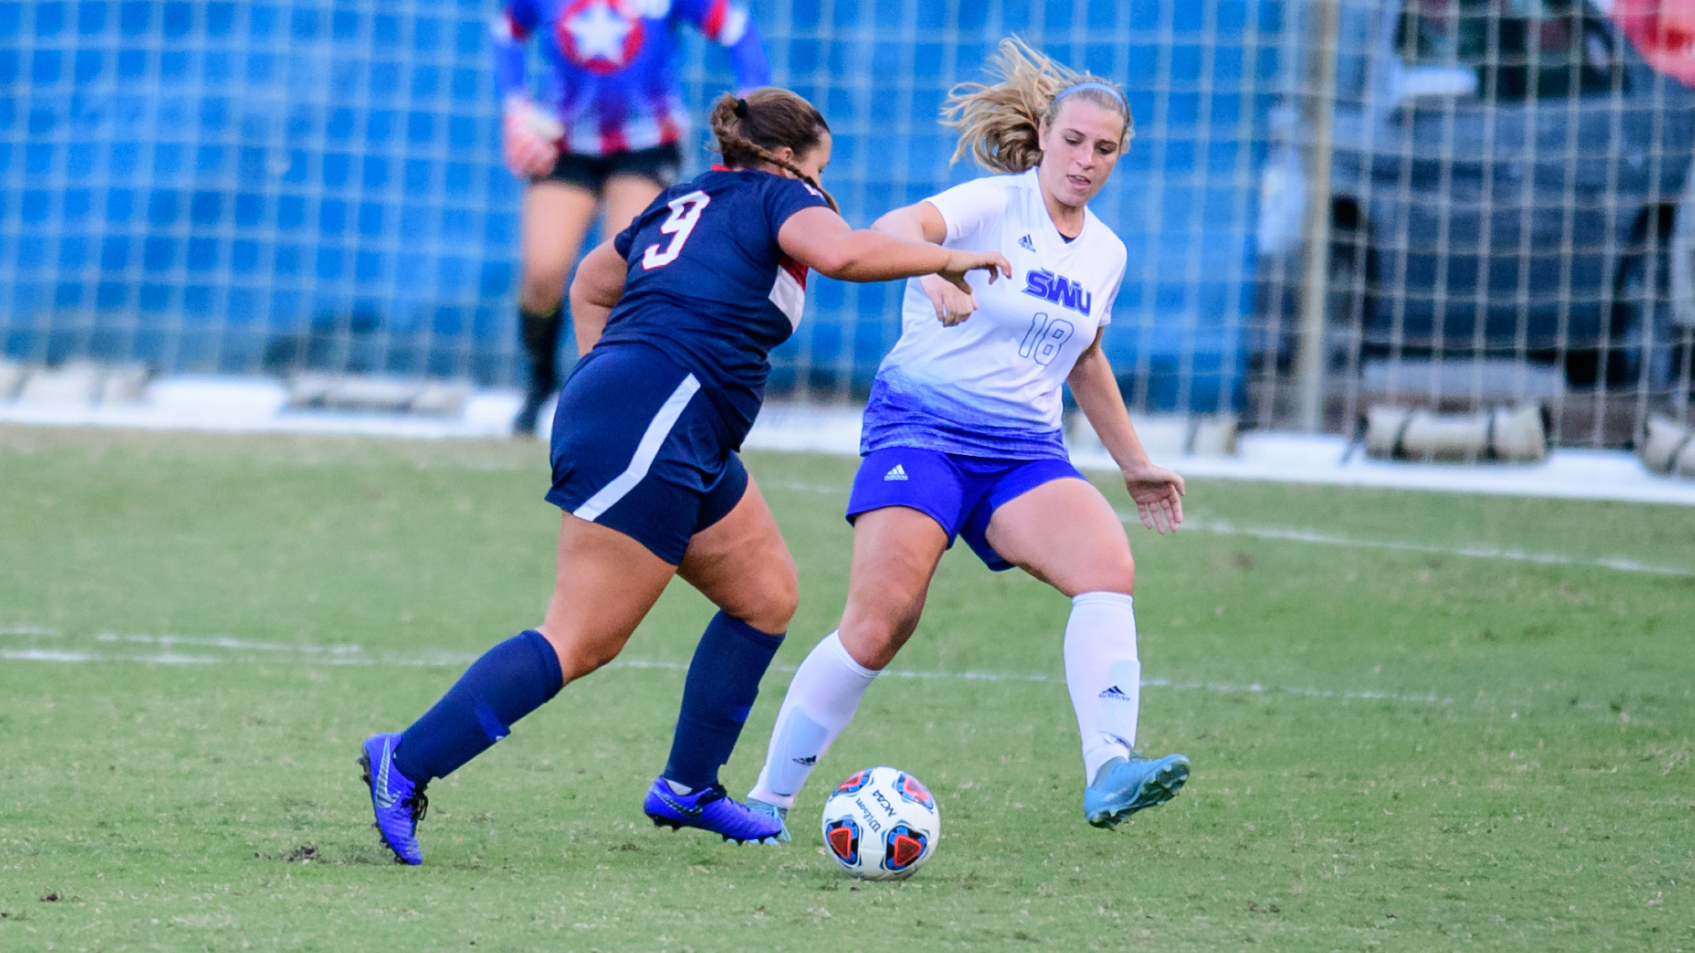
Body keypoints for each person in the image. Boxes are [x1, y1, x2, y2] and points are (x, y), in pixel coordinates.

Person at [359, 87, 1012, 865]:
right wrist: (946, 257)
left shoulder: (686, 196)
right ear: (782, 158)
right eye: (819, 169)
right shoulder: (775, 196)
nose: (822, 187)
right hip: (654, 415)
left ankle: (688, 786)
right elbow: (840, 254)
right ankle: (404, 760)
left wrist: (606, 375)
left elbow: (592, 285)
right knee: (581, 636)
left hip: (669, 418)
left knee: (765, 597)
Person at [739, 39, 1190, 840]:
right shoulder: (991, 204)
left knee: (1105, 565)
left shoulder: (1106, 252)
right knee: (881, 622)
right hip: (922, 427)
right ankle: (767, 801)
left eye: (1104, 148)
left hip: (1024, 450)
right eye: (1074, 141)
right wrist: (933, 269)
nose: (1085, 160)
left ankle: (1109, 764)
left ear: (1121, 155)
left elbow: (1083, 356)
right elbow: (891, 226)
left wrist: (1135, 464)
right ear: (1045, 136)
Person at [493, 0, 772, 435]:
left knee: (622, 278)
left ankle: (608, 401)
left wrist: (749, 108)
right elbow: (508, 31)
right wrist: (516, 110)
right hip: (563, 146)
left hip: (646, 147)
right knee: (543, 274)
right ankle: (539, 381)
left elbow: (735, 27)